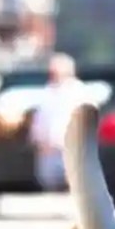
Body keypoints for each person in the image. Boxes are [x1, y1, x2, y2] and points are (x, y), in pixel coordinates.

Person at [28, 52, 85, 192]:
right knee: (51, 185)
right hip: (49, 151)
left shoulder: (79, 93)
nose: (54, 75)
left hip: (70, 149)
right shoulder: (47, 92)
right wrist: (39, 141)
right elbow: (40, 120)